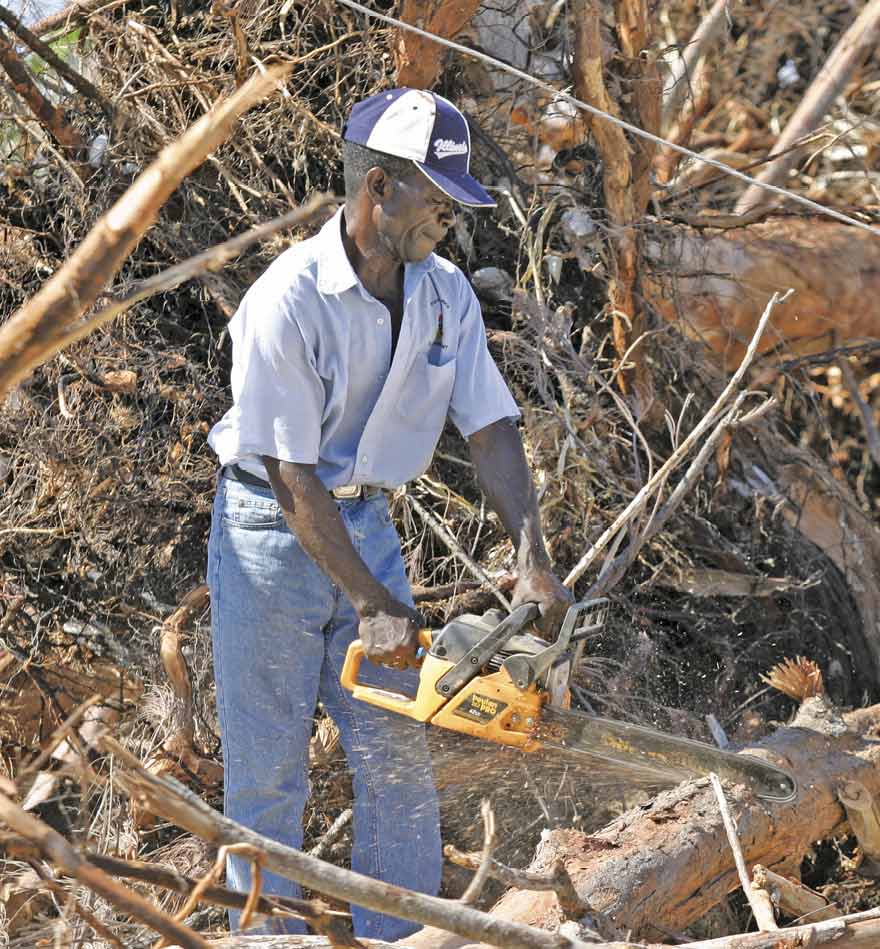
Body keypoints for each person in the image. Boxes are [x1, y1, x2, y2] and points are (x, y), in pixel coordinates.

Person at [205, 88, 571, 939]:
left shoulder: (444, 294)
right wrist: (371, 605)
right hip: (270, 531)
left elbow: (492, 428)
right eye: (435, 200)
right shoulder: (288, 298)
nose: (447, 219)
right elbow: (291, 473)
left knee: (399, 760)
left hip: (365, 523)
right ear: (378, 188)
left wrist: (532, 553)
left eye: (452, 204)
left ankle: (398, 937)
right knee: (268, 777)